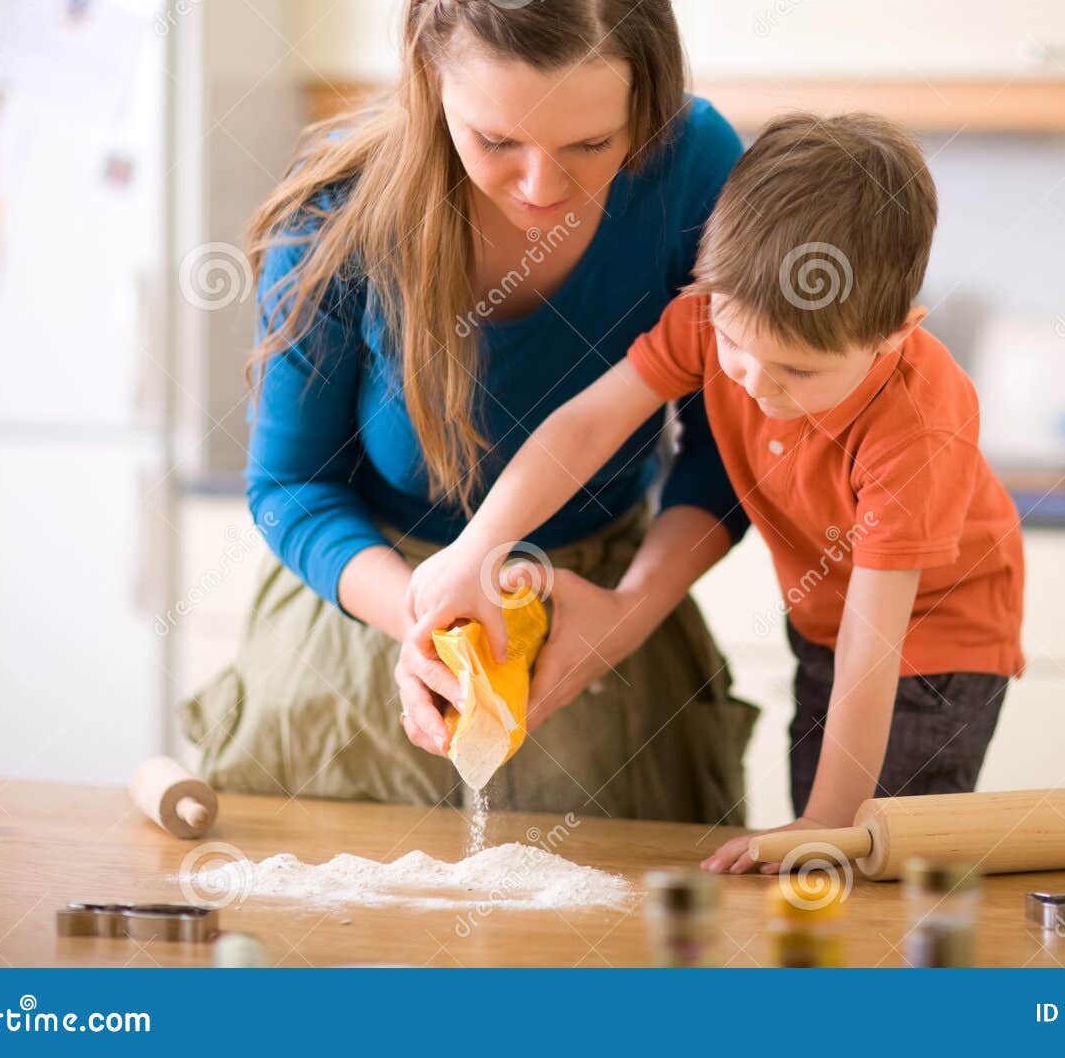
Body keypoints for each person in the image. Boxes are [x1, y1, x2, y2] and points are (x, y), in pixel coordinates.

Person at [181, 0, 756, 824]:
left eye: (591, 144)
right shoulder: (334, 211)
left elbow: (730, 447)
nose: (541, 186)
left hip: (602, 621)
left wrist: (628, 615)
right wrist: (420, 611)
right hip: (363, 631)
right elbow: (290, 487)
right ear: (430, 79)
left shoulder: (693, 166)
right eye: (496, 139)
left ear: (645, 108)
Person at [406, 112, 1026, 870]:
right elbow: (585, 426)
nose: (755, 382)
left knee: (870, 857)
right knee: (818, 850)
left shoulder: (917, 425)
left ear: (894, 335)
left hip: (933, 648)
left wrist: (828, 819)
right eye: (733, 344)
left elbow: (876, 647)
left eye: (797, 370)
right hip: (827, 627)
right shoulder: (710, 314)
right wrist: (478, 547)